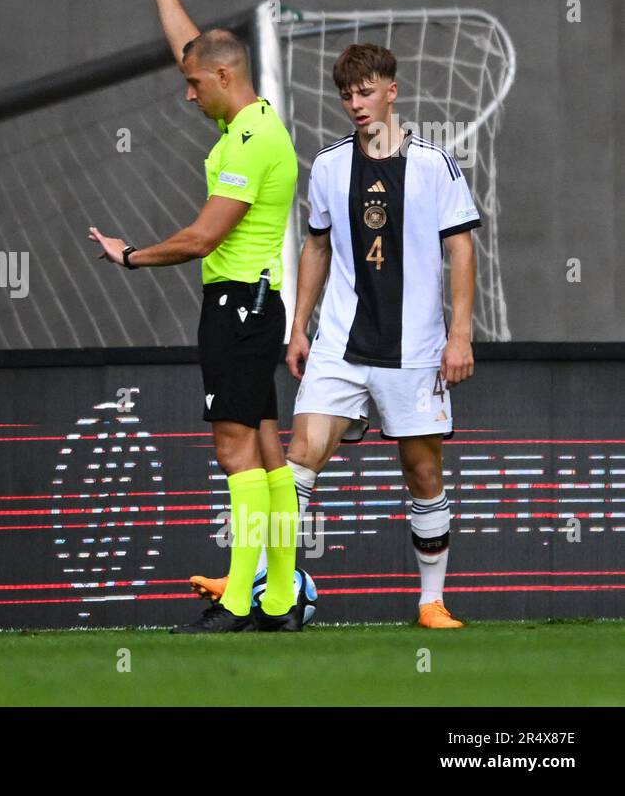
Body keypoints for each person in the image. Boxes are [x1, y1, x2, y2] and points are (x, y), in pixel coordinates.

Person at [189, 43, 478, 628]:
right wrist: (299, 326)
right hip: (340, 343)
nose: (356, 104)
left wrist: (461, 334)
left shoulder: (433, 165)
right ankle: (268, 580)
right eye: (347, 95)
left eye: (366, 91)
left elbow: (460, 246)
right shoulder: (327, 166)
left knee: (423, 471)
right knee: (298, 457)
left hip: (414, 348)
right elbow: (316, 245)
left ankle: (431, 602)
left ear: (392, 91)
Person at [89, 0, 300, 632]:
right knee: (267, 451)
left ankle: (243, 598)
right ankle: (275, 599)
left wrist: (131, 257)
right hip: (255, 304)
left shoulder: (251, 140)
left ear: (224, 80)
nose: (187, 96)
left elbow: (204, 235)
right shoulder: (251, 120)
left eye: (192, 85)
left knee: (234, 449)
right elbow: (195, 50)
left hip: (240, 304)